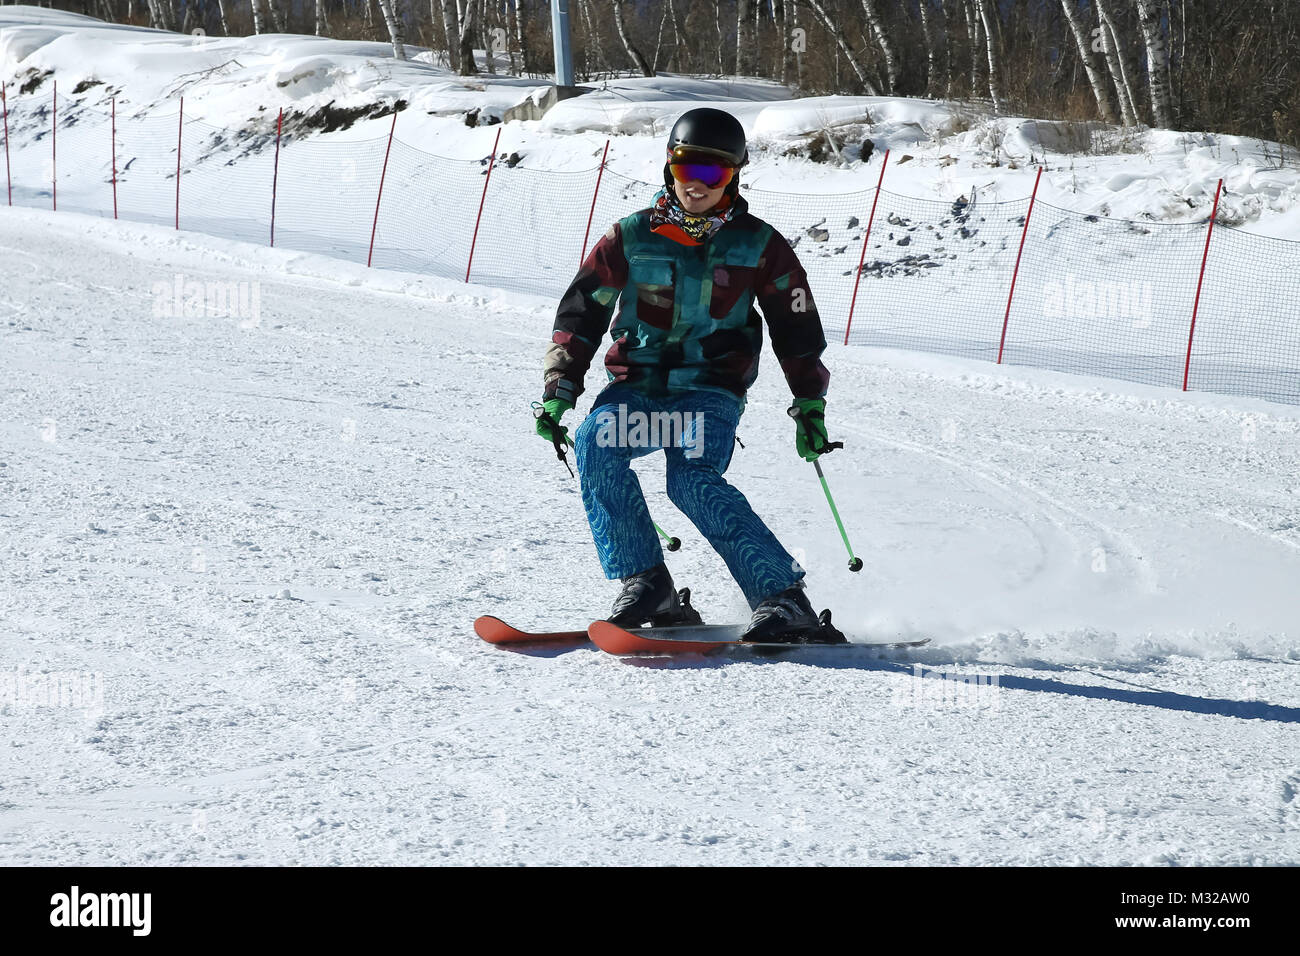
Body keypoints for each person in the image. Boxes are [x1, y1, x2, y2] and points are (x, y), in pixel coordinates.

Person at [534, 107, 841, 641]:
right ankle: (648, 582)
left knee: (692, 479)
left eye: (713, 174)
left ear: (734, 176)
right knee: (595, 446)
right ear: (669, 169)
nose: (696, 185)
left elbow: (797, 328)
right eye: (686, 169)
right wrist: (559, 391)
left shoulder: (759, 246)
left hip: (710, 389)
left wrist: (809, 403)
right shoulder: (630, 237)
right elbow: (581, 315)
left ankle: (782, 598)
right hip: (638, 387)